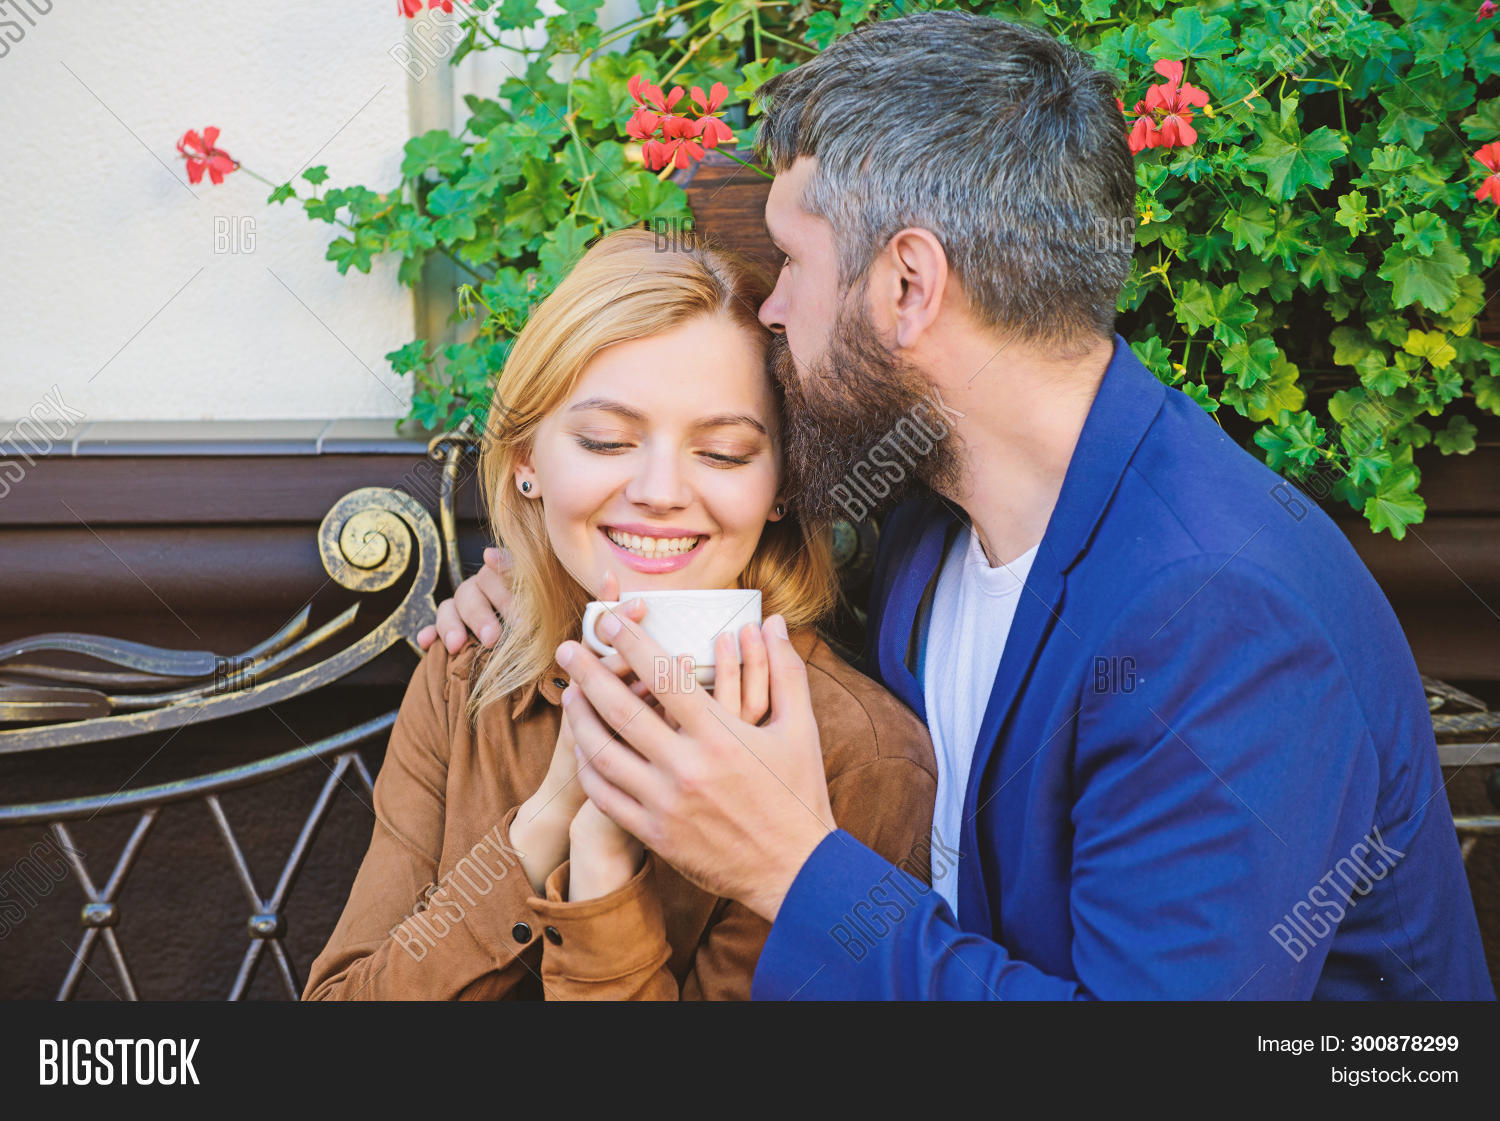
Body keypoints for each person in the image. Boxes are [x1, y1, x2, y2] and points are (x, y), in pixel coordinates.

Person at [423, 13, 1493, 999]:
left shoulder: (1217, 614)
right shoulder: (932, 515)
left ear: (907, 286)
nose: (778, 311)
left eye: (793, 261)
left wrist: (789, 865)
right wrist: (536, 571)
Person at [306, 229, 937, 1000]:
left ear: (781, 486)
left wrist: (602, 868)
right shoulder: (468, 671)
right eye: (607, 441)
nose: (660, 490)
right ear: (529, 461)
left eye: (725, 452)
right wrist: (543, 823)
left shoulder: (857, 754)